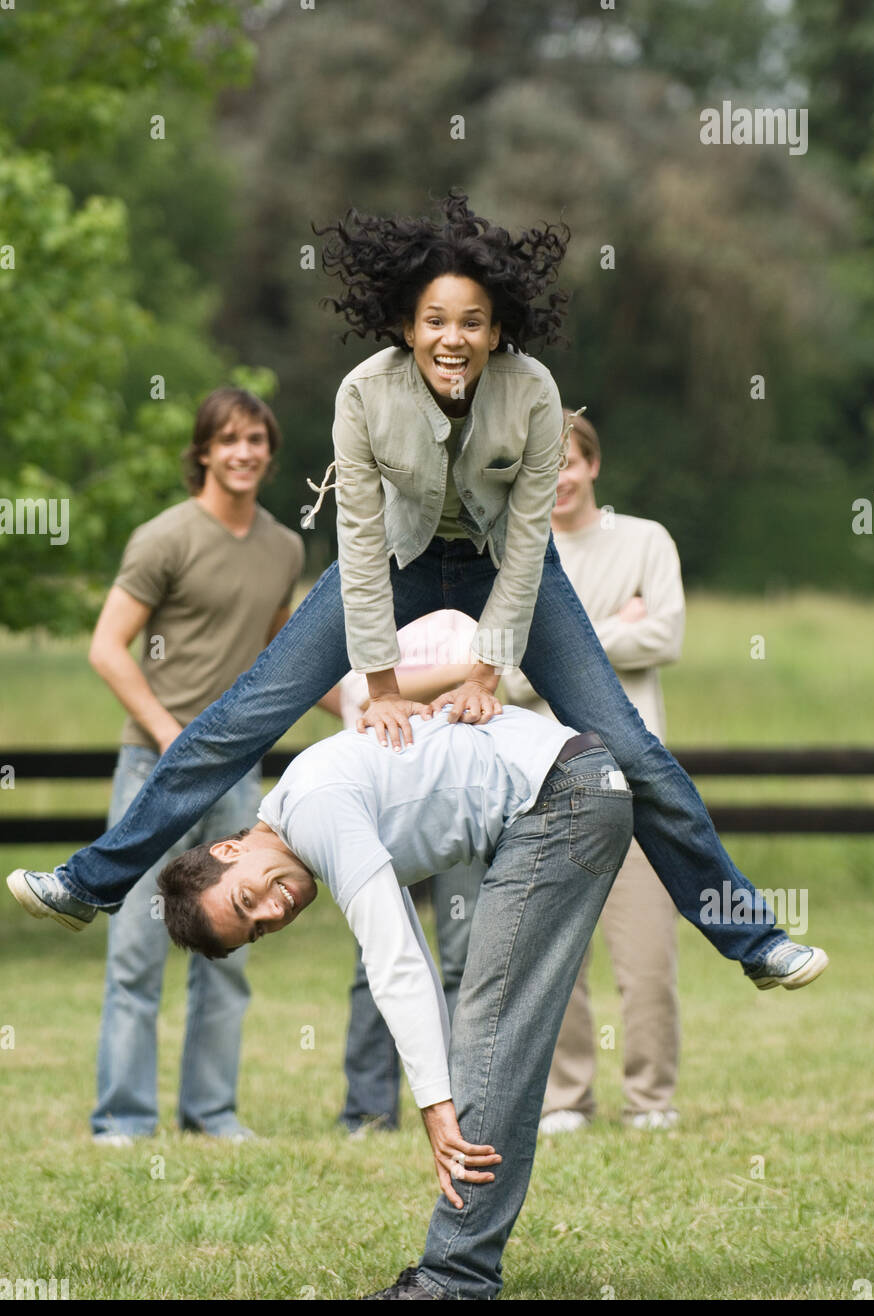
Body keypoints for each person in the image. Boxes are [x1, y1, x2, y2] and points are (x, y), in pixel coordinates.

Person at [8, 190, 828, 1004]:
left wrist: (484, 672)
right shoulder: (364, 393)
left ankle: (753, 939)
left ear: (496, 329)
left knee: (632, 746)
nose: (453, 338)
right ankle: (90, 884)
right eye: (435, 320)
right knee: (236, 721)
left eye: (471, 322)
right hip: (396, 562)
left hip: (503, 563)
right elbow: (360, 543)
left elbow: (532, 538)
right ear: (407, 326)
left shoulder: (534, 393)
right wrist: (383, 688)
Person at [156, 703, 636, 1299]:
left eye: (244, 902)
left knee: (493, 1033)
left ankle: (453, 1282)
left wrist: (436, 1110)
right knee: (492, 1032)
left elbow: (397, 962)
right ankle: (459, 1271)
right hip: (574, 786)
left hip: (561, 798)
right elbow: (412, 957)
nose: (272, 913)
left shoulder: (313, 811)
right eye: (256, 929)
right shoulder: (308, 821)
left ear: (228, 851)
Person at [81, 388, 303, 1142]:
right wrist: (171, 735)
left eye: (256, 440)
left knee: (229, 949)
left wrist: (380, 700)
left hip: (239, 777)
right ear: (204, 451)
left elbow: (291, 661)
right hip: (154, 770)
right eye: (229, 440)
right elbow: (107, 648)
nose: (244, 452)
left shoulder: (283, 549)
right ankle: (122, 1121)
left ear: (269, 453)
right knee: (137, 952)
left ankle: (212, 1114)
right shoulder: (162, 538)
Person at [503, 410, 684, 1134]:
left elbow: (664, 634)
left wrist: (564, 643)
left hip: (634, 774)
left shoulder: (644, 540)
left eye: (567, 461)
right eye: (538, 468)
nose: (556, 479)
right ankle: (565, 1098)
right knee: (557, 956)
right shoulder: (516, 553)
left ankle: (651, 1099)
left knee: (645, 958)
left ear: (591, 465)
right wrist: (613, 626)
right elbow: (507, 675)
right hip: (546, 778)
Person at [333, 609, 484, 1133]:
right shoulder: (370, 605)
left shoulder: (467, 596)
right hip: (378, 809)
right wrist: (461, 672)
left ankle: (462, 1107)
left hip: (461, 801)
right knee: (375, 965)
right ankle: (369, 1113)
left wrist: (391, 688)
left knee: (463, 964)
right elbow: (357, 695)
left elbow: (504, 672)